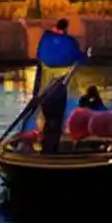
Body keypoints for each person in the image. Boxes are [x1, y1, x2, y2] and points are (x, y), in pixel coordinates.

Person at [35, 18, 88, 152]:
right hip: (61, 84)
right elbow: (79, 57)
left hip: (46, 86)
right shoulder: (69, 42)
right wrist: (85, 55)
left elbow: (39, 56)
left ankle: (45, 142)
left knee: (48, 115)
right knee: (58, 116)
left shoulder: (46, 39)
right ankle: (57, 143)